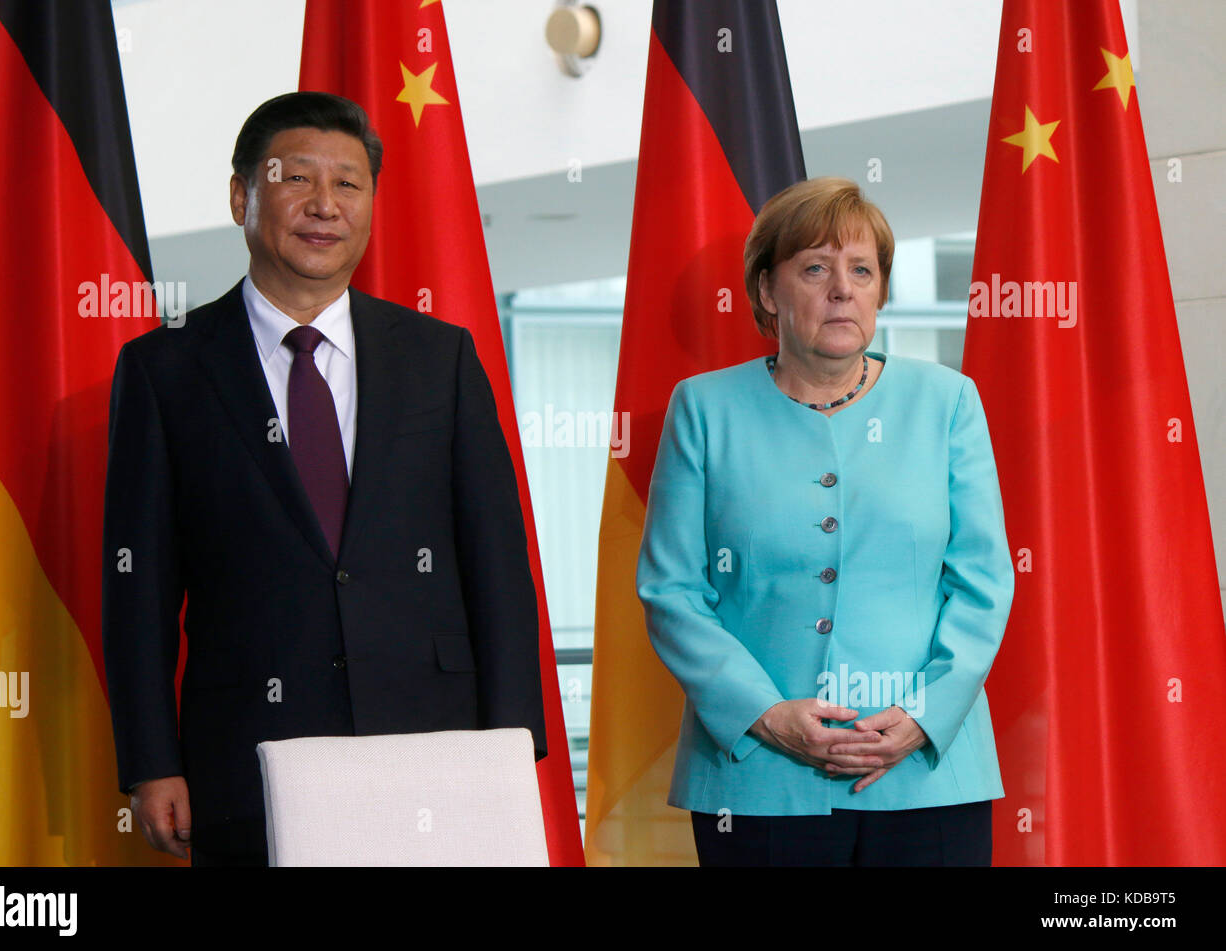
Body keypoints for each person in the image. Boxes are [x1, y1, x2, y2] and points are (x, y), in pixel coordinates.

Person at [102, 91, 545, 866]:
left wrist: (515, 740)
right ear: (242, 194)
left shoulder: (439, 357)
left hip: (433, 747)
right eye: (296, 178)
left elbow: (498, 563)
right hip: (247, 753)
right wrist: (150, 760)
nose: (324, 205)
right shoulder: (165, 370)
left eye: (349, 184)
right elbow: (136, 589)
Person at [636, 176, 1014, 866]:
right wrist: (765, 715)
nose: (842, 288)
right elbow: (671, 590)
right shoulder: (703, 409)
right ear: (766, 292)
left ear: (879, 292)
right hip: (755, 779)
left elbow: (985, 581)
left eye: (861, 270)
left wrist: (923, 718)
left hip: (926, 774)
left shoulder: (947, 400)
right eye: (815, 268)